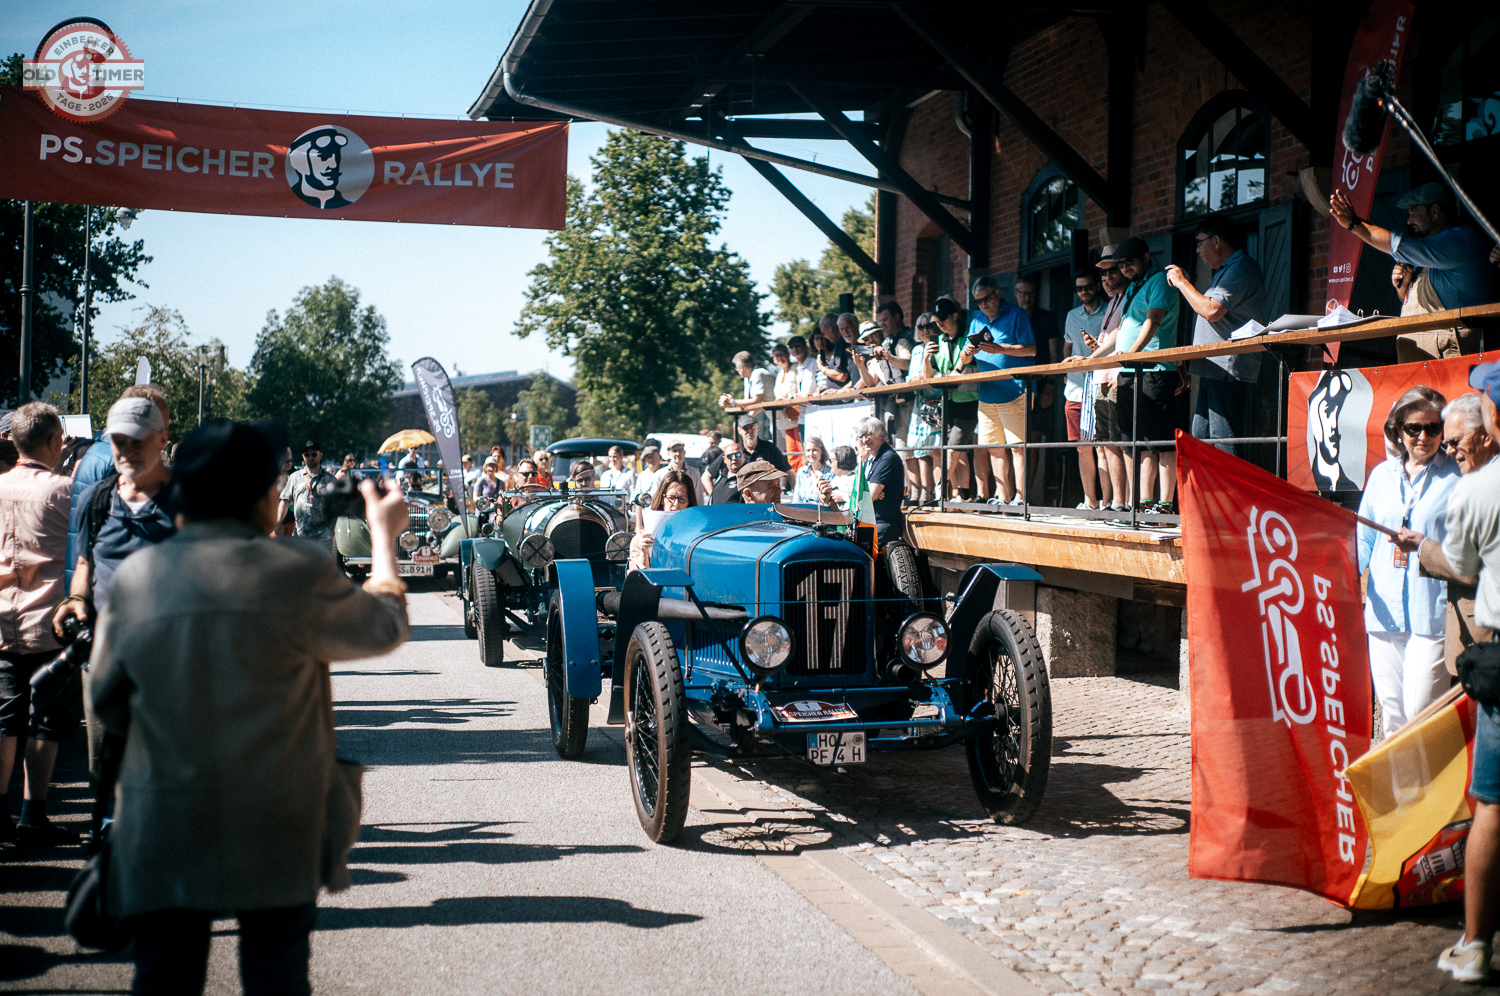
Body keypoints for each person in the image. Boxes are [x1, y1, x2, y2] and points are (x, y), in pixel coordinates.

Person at [90, 418, 410, 995]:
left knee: (163, 976)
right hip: (278, 819)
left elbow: (107, 703)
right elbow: (383, 627)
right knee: (276, 973)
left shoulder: (139, 576)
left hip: (163, 818)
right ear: (265, 496)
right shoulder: (295, 570)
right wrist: (384, 539)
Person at [1430, 363, 1500, 983]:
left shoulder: (1476, 491)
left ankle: (1475, 944)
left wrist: (1419, 549)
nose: (1449, 450)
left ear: (1492, 426)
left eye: (1453, 440)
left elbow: (1460, 565)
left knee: (1492, 805)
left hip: (1499, 654)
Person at [1357, 386, 1458, 739]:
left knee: (1422, 711)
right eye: (1414, 428)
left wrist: (1426, 544)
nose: (1424, 437)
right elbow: (1363, 538)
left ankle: (1435, 790)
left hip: (1431, 609)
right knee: (1394, 714)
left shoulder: (1457, 476)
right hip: (1383, 611)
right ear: (1398, 430)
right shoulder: (1380, 476)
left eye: (1433, 428)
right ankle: (1401, 793)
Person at [0, 403, 75, 846]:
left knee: (4, 718)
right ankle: (33, 814)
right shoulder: (65, 491)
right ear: (52, 442)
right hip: (48, 623)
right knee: (45, 721)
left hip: (2, 620)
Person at [1332, 181, 1494, 361]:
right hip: (1421, 363)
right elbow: (1428, 306)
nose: (1409, 221)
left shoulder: (1458, 242)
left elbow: (1397, 244)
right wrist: (1404, 289)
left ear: (1435, 211)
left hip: (1451, 363)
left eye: (1414, 214)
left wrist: (1355, 224)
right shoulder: (1432, 249)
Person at [1075, 237, 1181, 512]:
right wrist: (1091, 358)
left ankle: (1166, 504)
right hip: (1129, 372)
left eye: (1128, 263)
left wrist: (1132, 353)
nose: (1124, 269)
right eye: (1120, 265)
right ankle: (1145, 504)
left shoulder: (1159, 281)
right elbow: (1120, 332)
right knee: (1138, 441)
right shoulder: (1134, 287)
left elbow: (1153, 320)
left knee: (1161, 440)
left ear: (1146, 257)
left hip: (1154, 370)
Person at [1395, 392, 1497, 673]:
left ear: (1485, 436)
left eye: (1454, 441)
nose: (1449, 451)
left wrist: (1424, 546)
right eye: (1413, 428)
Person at [1165, 217, 1266, 455]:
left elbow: (1211, 310)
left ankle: (1228, 493)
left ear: (1217, 240)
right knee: (1201, 439)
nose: (1197, 249)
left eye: (1200, 243)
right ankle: (1207, 493)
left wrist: (1182, 283)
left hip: (1227, 369)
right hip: (1214, 368)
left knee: (1224, 442)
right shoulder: (1226, 270)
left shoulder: (1240, 266)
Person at [966, 275, 1037, 508]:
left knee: (1018, 447)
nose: (983, 304)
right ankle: (1003, 497)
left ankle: (1021, 498)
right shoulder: (976, 320)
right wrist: (967, 353)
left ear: (997, 294)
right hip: (987, 394)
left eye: (987, 299)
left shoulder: (1017, 314)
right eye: (978, 301)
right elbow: (965, 359)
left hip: (1015, 390)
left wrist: (1000, 348)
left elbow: (1031, 350)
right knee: (994, 448)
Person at [817, 416, 906, 546]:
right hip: (870, 523)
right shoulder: (873, 459)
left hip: (883, 525)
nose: (864, 440)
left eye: (868, 435)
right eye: (861, 436)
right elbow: (863, 490)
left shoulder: (887, 458)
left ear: (880, 434)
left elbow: (868, 496)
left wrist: (847, 493)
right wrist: (863, 489)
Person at [924, 296, 980, 501]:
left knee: (954, 448)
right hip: (948, 401)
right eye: (937, 323)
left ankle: (940, 490)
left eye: (944, 321)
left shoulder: (968, 335)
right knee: (958, 450)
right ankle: (963, 494)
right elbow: (929, 375)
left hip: (970, 398)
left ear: (955, 316)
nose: (940, 326)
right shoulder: (937, 340)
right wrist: (925, 357)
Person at [1063, 272, 1107, 509]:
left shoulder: (1109, 311)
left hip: (1101, 385)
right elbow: (1067, 346)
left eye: (1088, 287)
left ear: (1097, 286)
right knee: (1082, 447)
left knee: (1102, 445)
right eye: (1079, 289)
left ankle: (1109, 501)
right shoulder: (1071, 316)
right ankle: (1090, 500)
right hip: (1075, 388)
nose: (1084, 292)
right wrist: (1065, 370)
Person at [904, 313, 943, 504]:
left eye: (929, 326)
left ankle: (937, 494)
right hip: (921, 404)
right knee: (919, 449)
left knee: (936, 450)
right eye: (921, 327)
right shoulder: (917, 349)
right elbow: (911, 378)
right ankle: (922, 495)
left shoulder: (941, 345)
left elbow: (940, 374)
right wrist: (919, 377)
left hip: (939, 402)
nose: (925, 330)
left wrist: (923, 377)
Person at [628, 470, 698, 569]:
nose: (676, 504)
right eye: (672, 498)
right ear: (662, 499)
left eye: (682, 499)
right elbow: (637, 578)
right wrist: (644, 552)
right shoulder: (641, 538)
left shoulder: (697, 535)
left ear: (689, 503)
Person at [277, 441, 338, 543]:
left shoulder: (330, 479)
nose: (310, 457)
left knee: (322, 560)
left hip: (322, 536)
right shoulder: (295, 477)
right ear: (303, 457)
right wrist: (278, 521)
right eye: (307, 455)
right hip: (300, 534)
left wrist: (330, 530)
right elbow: (284, 501)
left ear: (320, 455)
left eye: (314, 454)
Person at [772, 342, 815, 467]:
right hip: (785, 419)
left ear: (787, 354)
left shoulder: (797, 368)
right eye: (776, 356)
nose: (779, 358)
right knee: (791, 453)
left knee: (801, 450)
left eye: (781, 354)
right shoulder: (779, 374)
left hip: (798, 415)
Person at [791, 437, 833, 504]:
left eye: (814, 450)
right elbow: (796, 498)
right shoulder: (802, 472)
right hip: (802, 512)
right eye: (808, 450)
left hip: (821, 512)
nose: (811, 454)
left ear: (822, 452)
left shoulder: (830, 473)